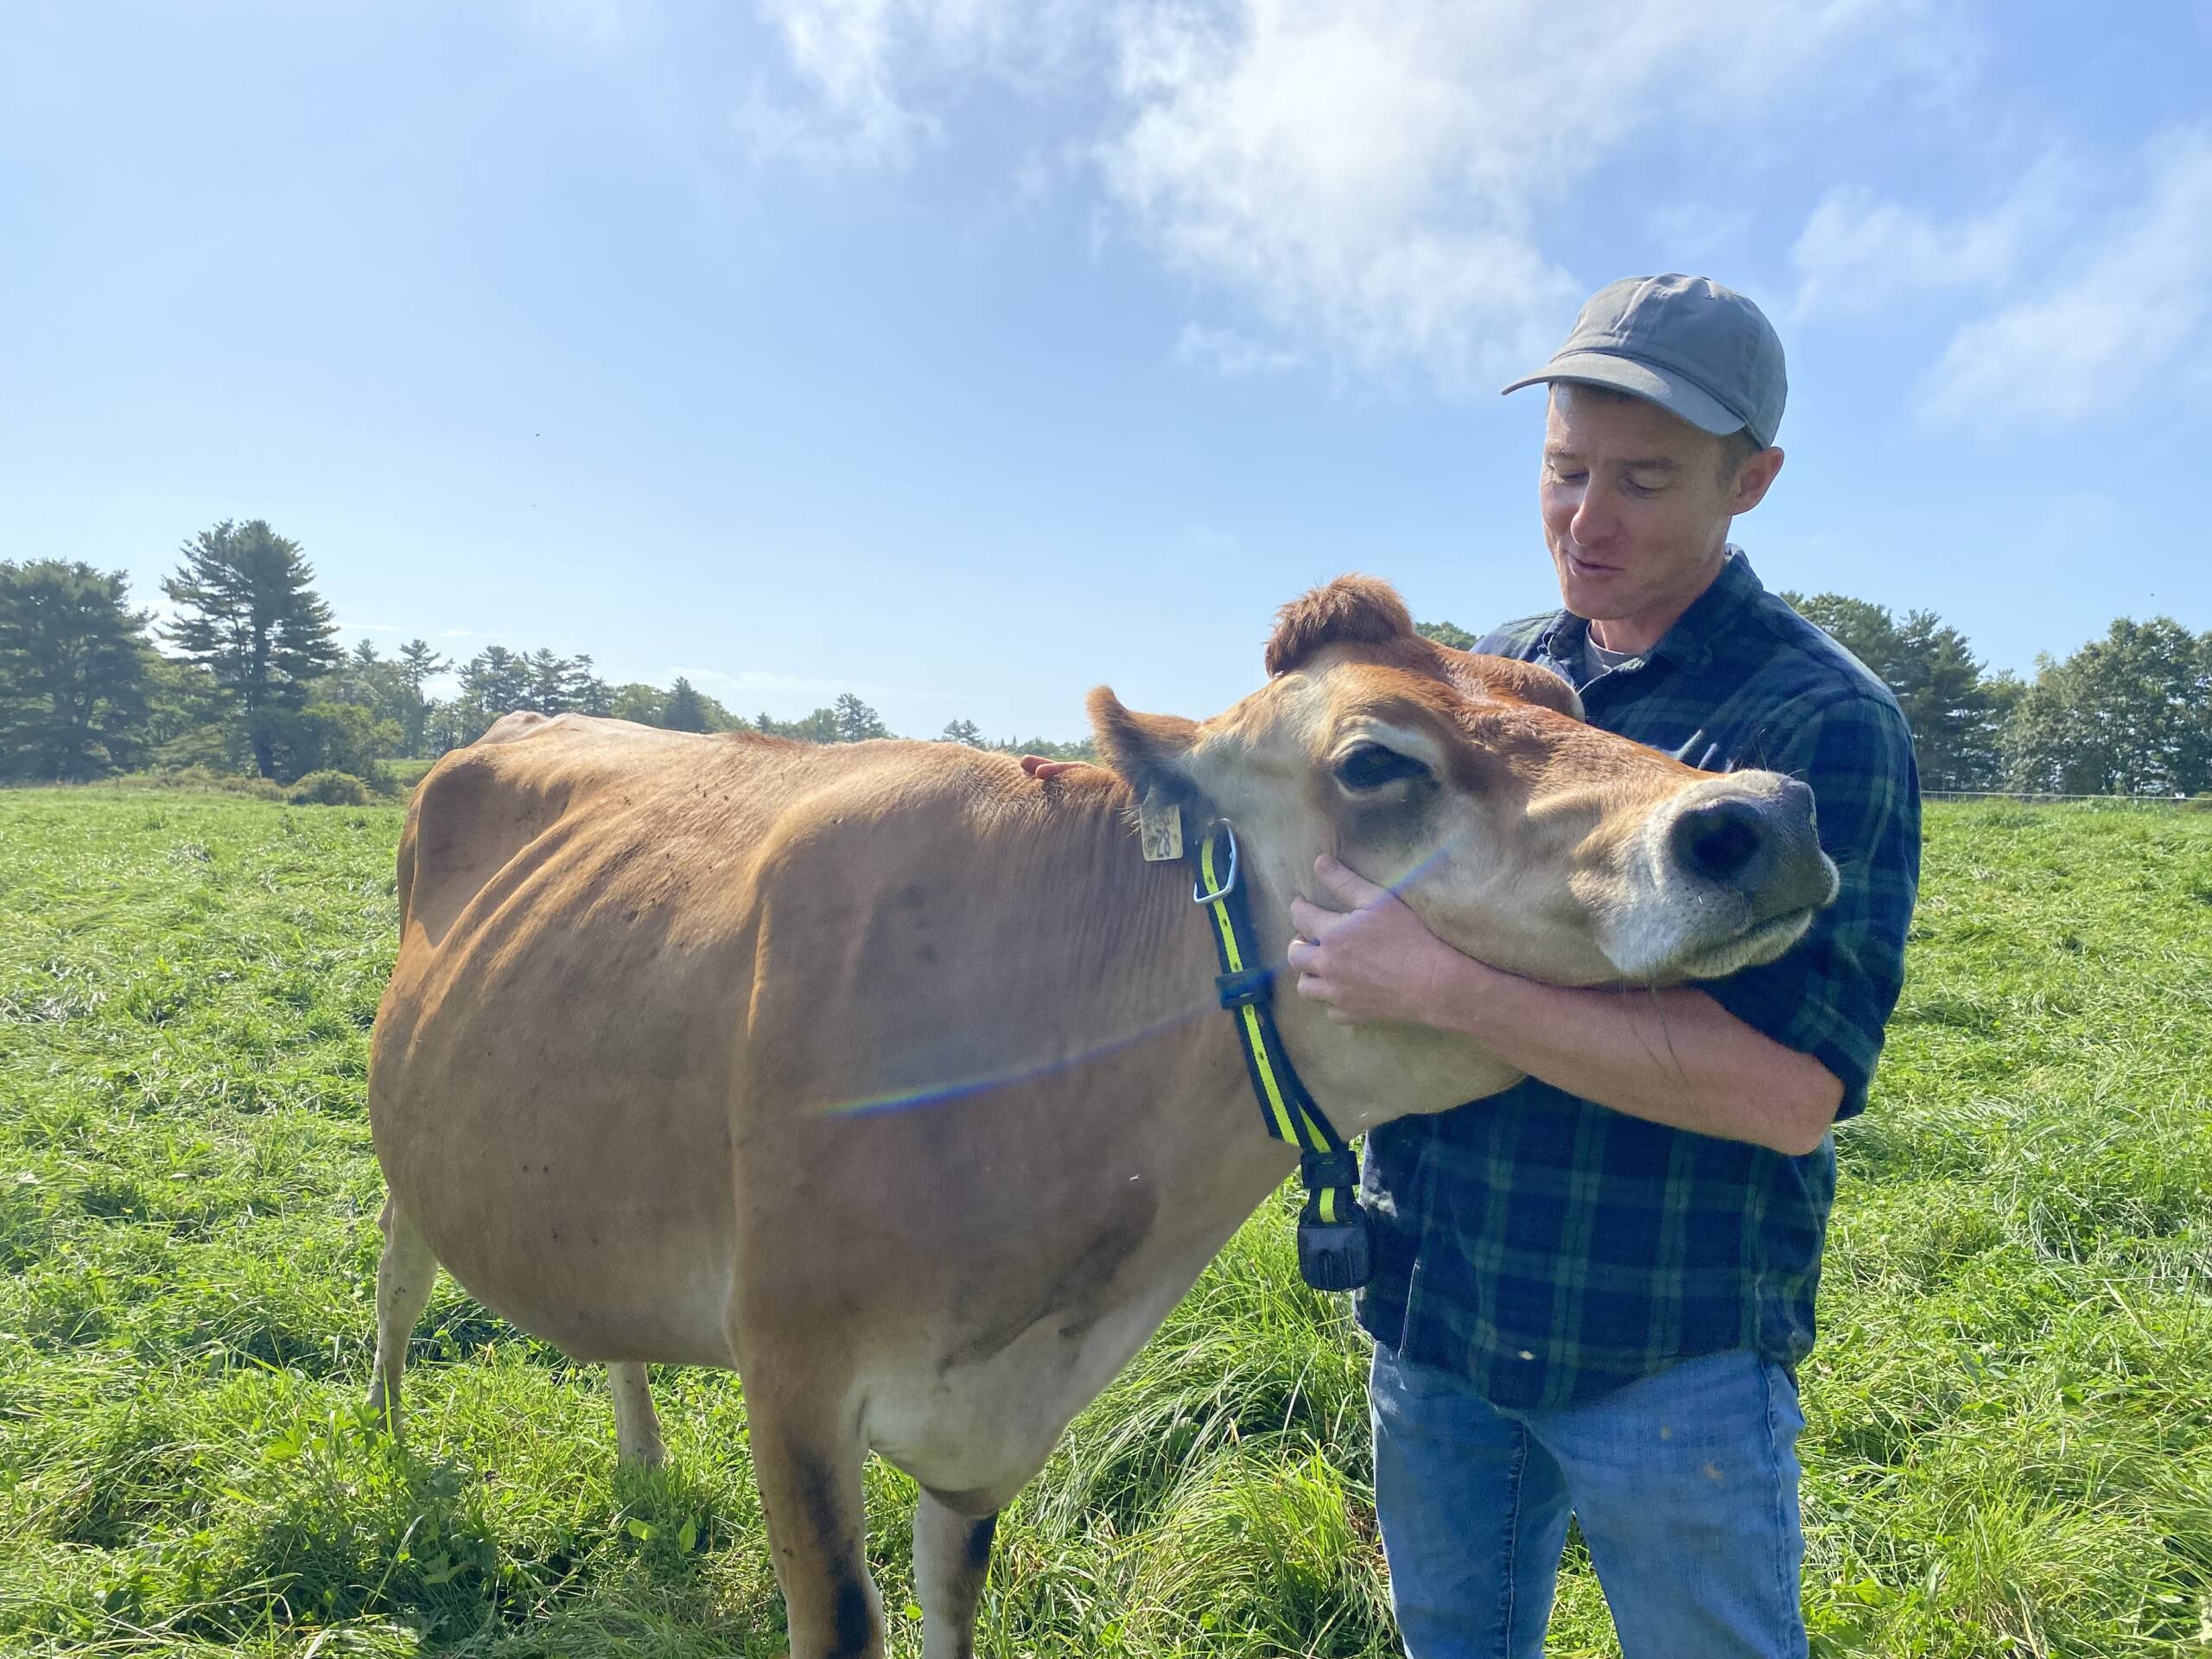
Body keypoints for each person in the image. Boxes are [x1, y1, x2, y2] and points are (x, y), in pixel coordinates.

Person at [1027, 272, 1919, 1657]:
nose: (1587, 517)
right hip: (1436, 1316)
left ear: (1752, 482)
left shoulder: (1820, 718)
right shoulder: (1497, 668)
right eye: (1565, 469)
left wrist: (1448, 992)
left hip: (1658, 1346)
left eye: (1644, 479)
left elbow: (1792, 1093)